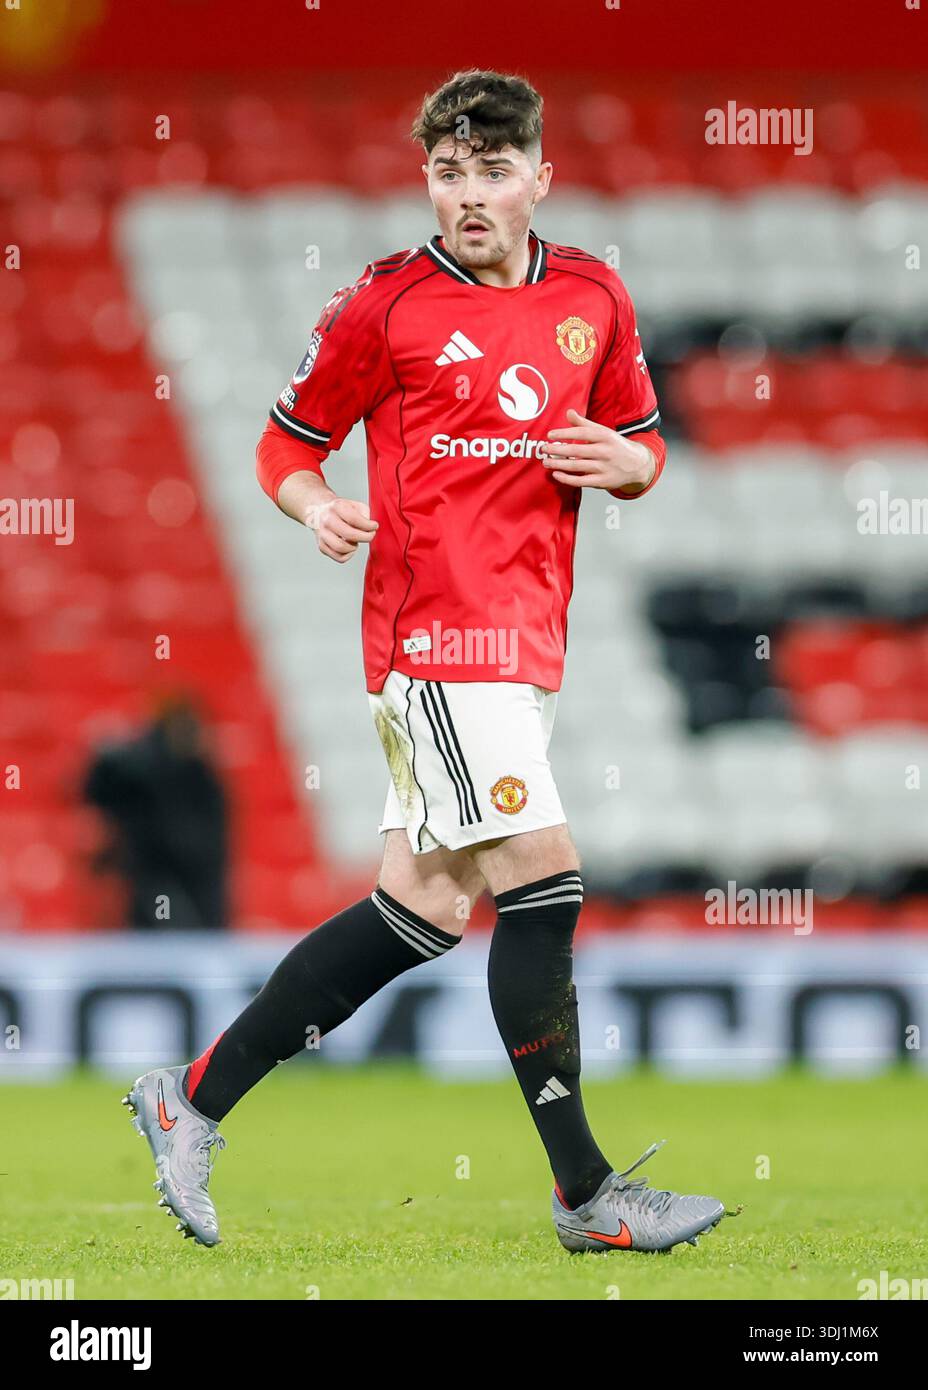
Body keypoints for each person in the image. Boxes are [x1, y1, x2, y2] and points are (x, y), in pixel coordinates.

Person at [123, 69, 727, 1253]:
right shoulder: (384, 305)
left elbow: (645, 441)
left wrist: (628, 464)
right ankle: (585, 1192)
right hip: (434, 641)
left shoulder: (593, 296)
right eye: (449, 171)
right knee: (544, 884)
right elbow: (281, 441)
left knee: (422, 911)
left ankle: (187, 1098)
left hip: (527, 645)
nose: (469, 194)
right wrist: (312, 504)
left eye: (493, 171)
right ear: (428, 180)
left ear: (539, 178)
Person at [85, 695, 228, 930]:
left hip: (193, 894)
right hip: (151, 887)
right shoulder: (147, 770)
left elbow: (207, 847)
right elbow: (99, 789)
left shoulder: (203, 780)